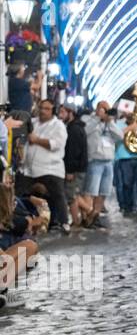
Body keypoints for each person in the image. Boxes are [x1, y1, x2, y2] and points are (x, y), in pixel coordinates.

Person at [18, 99, 70, 235]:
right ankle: (21, 220)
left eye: (47, 109)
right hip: (29, 168)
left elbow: (56, 144)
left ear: (53, 111)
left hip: (50, 168)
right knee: (21, 193)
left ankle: (64, 222)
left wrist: (37, 140)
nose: (43, 111)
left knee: (58, 195)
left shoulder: (58, 126)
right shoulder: (33, 122)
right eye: (41, 108)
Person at [82, 102, 119, 230]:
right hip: (94, 160)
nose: (105, 111)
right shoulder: (88, 119)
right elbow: (85, 131)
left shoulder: (109, 123)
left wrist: (110, 122)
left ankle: (95, 215)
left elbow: (120, 136)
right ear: (97, 109)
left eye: (106, 109)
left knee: (103, 191)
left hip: (108, 161)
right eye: (103, 108)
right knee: (91, 190)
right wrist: (98, 118)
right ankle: (87, 215)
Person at [59, 105, 88, 229]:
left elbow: (73, 152)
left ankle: (78, 220)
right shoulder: (76, 127)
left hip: (74, 169)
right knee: (74, 194)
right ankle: (84, 217)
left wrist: (70, 170)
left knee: (71, 196)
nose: (60, 115)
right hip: (78, 168)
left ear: (70, 113)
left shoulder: (73, 129)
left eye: (62, 112)